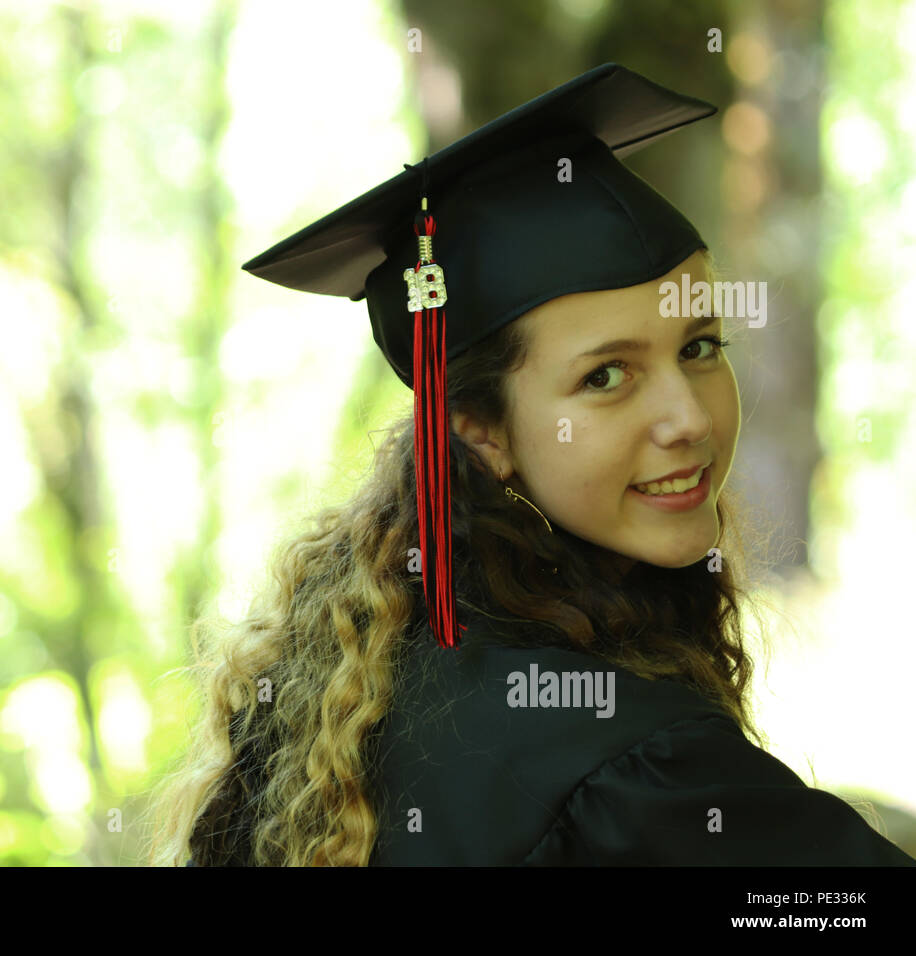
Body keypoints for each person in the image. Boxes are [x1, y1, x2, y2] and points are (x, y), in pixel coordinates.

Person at [141, 63, 916, 866]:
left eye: (700, 347)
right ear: (482, 432)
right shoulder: (635, 779)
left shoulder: (345, 696)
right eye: (605, 377)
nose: (689, 418)